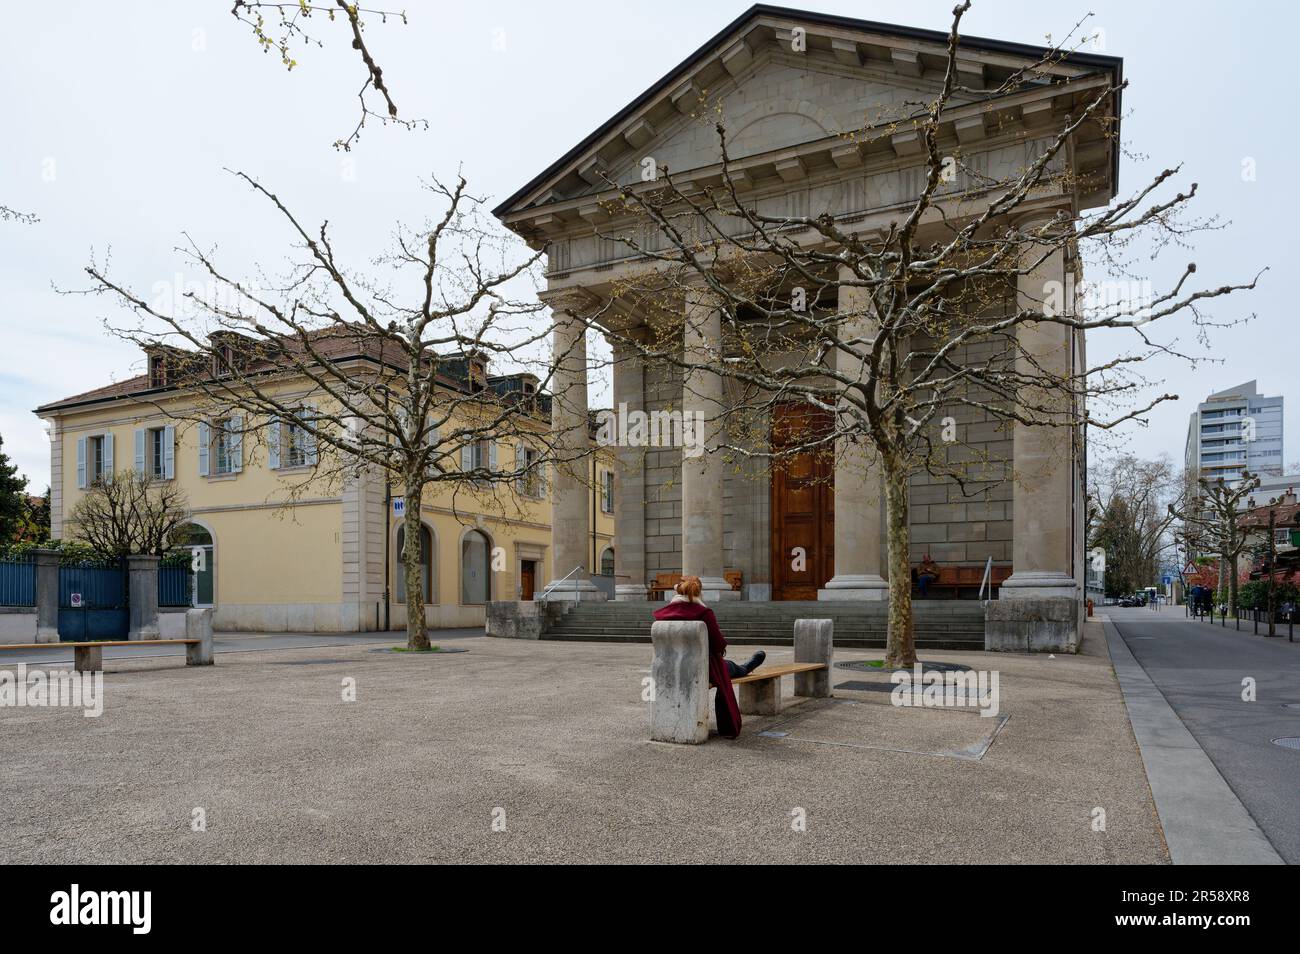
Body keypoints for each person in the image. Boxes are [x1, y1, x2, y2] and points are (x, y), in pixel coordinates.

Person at [652, 576, 765, 739]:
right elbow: (719, 645)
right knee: (729, 667)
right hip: (703, 670)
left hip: (667, 669)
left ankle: (746, 666)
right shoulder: (703, 613)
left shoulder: (661, 615)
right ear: (699, 593)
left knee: (728, 666)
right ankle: (747, 667)